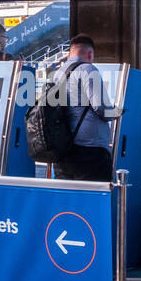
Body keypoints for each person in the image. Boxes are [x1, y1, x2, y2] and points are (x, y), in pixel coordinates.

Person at [51, 34, 113, 182]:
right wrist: (116, 111)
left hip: (63, 148)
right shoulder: (88, 69)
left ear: (69, 54)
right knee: (92, 199)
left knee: (67, 200)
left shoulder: (58, 74)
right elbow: (102, 108)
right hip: (90, 150)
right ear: (90, 54)